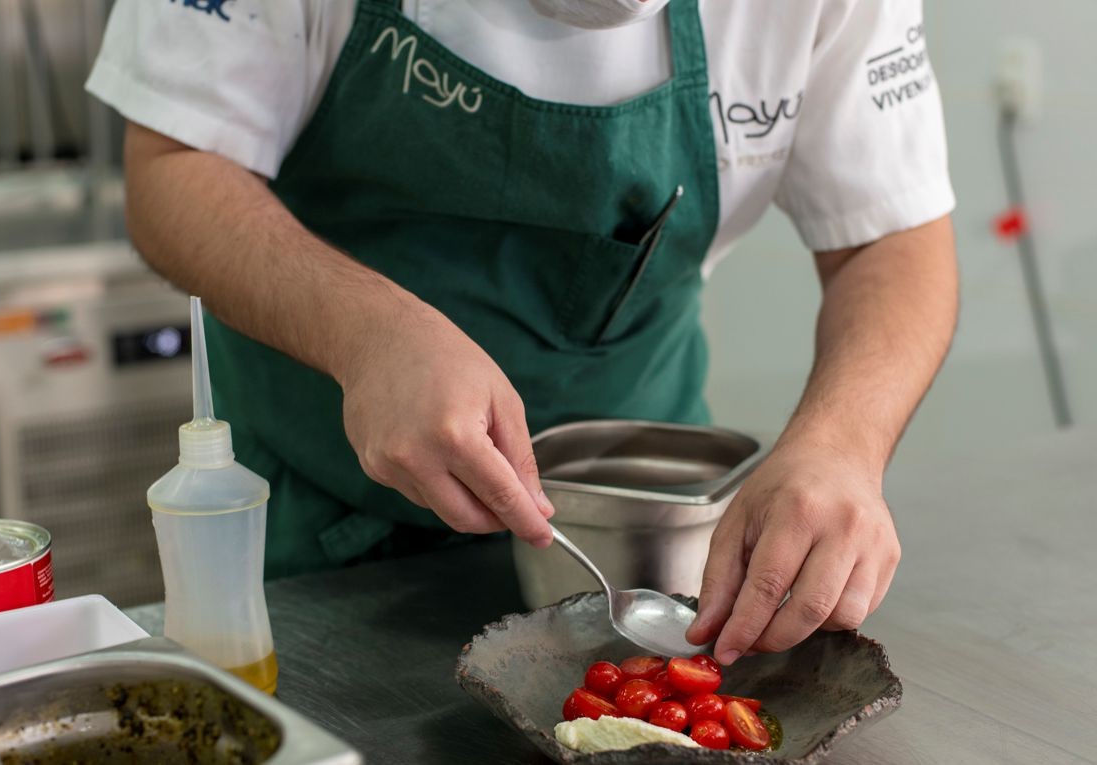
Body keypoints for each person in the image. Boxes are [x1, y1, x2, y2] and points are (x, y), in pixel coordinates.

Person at [87, 0, 958, 665]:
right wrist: (370, 333)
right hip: (325, 534)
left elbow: (890, 235)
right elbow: (174, 167)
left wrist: (843, 445)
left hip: (641, 546)